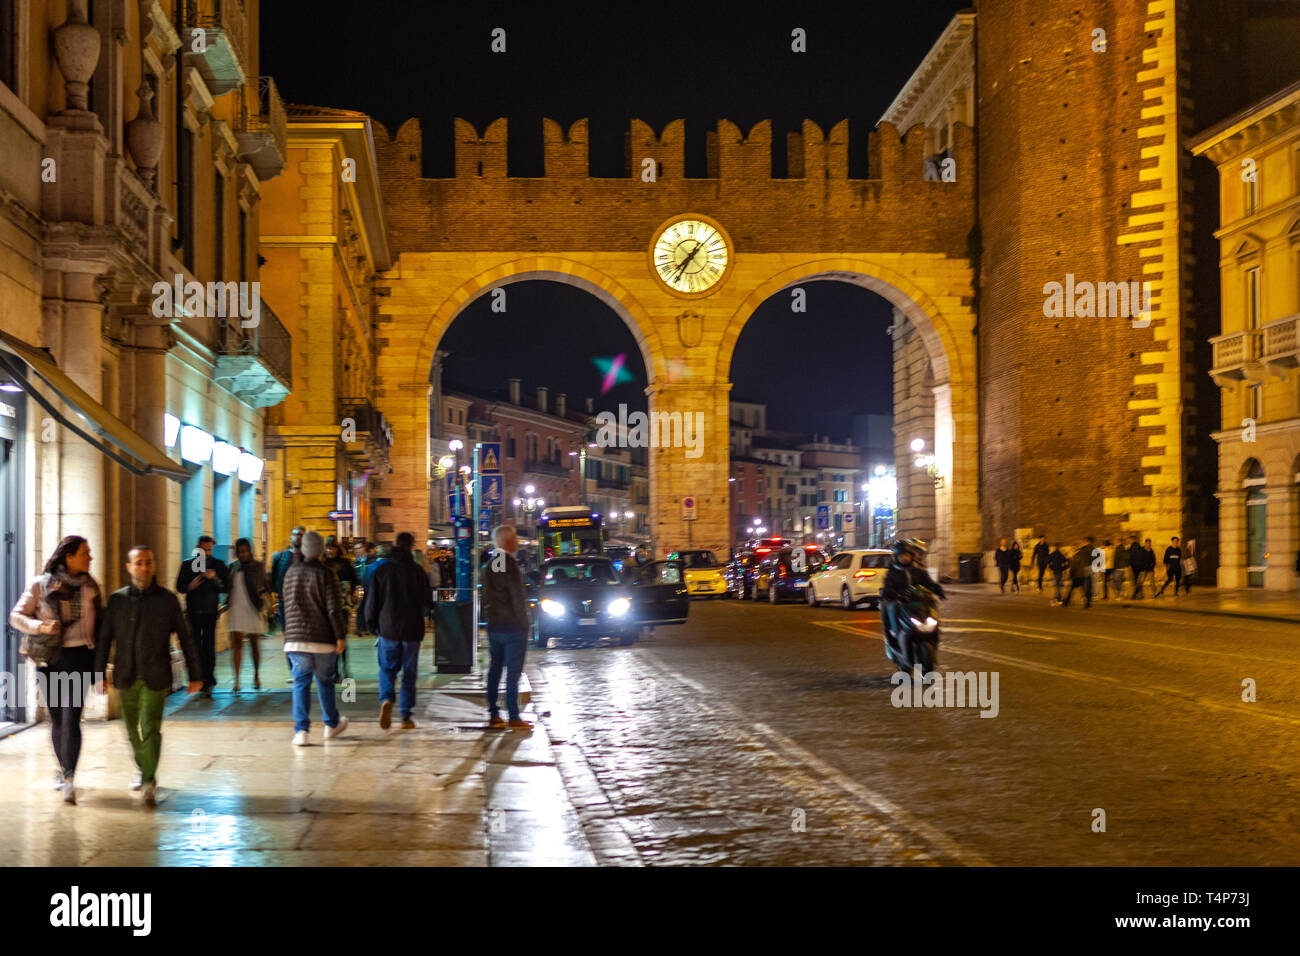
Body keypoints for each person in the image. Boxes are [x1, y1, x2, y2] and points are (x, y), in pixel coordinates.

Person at [94, 546, 202, 806]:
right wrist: (99, 674)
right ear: (129, 567)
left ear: (154, 565)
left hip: (156, 674)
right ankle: (144, 768)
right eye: (139, 563)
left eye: (148, 562)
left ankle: (148, 780)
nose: (144, 567)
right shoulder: (117, 600)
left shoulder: (167, 599)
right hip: (126, 675)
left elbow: (185, 638)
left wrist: (195, 674)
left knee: (151, 727)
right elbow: (104, 639)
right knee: (131, 729)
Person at [8, 535, 104, 804]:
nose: (90, 557)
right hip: (50, 659)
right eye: (85, 553)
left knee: (72, 717)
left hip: (80, 658)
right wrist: (41, 627)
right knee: (58, 719)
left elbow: (101, 625)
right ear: (68, 557)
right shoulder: (41, 585)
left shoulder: (90, 586)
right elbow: (16, 616)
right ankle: (64, 772)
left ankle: (70, 777)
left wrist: (100, 666)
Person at [282, 531, 348, 746]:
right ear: (320, 550)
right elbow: (333, 609)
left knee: (300, 683)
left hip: (295, 639)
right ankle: (331, 724)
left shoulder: (290, 573)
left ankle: (301, 731)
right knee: (325, 682)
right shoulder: (326, 573)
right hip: (323, 639)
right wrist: (340, 636)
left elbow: (287, 607)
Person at [366, 531, 432, 730]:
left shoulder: (382, 570)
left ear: (395, 545)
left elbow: (372, 602)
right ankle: (405, 716)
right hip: (412, 629)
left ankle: (386, 699)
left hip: (388, 629)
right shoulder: (418, 571)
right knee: (409, 673)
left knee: (387, 669)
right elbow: (427, 601)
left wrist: (371, 625)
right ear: (411, 547)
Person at [482, 525, 533, 730]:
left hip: (495, 625)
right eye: (514, 539)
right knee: (513, 672)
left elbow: (488, 596)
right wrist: (524, 622)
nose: (517, 543)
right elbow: (516, 596)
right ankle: (513, 714)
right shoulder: (507, 564)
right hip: (512, 626)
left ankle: (494, 713)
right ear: (507, 542)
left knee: (495, 669)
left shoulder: (491, 564)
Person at [175, 535, 228, 697]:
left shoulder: (218, 565)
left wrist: (214, 579)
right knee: (195, 646)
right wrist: (189, 586)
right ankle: (197, 679)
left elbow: (225, 587)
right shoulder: (187, 564)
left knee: (209, 647)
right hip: (194, 611)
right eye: (203, 550)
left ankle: (209, 681)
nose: (206, 553)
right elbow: (179, 587)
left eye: (209, 550)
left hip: (210, 612)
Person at [227, 538, 267, 692]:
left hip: (253, 606)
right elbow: (227, 587)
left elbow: (264, 585)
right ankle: (236, 680)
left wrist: (265, 605)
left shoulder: (258, 566)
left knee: (254, 644)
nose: (242, 554)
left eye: (245, 551)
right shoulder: (233, 567)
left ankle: (256, 675)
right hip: (237, 607)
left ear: (250, 551)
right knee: (236, 644)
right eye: (240, 551)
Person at [270, 526, 304, 679]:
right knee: (289, 637)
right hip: (285, 602)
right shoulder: (280, 557)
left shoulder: (308, 557)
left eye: (302, 535)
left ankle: (303, 668)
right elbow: (273, 580)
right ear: (291, 537)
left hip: (304, 603)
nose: (298, 538)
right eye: (296, 535)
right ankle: (293, 670)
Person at [1061, 537, 1095, 608]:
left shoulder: (1077, 555)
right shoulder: (1082, 553)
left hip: (1077, 574)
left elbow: (1074, 565)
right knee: (1080, 589)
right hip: (1082, 574)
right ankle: (1086, 602)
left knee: (1073, 589)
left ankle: (1066, 602)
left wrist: (1071, 574)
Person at [1114, 535, 1132, 599]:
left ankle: (1122, 593)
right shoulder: (1121, 547)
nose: (1114, 541)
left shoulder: (1119, 548)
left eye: (1115, 540)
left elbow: (1117, 558)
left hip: (1119, 567)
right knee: (1118, 581)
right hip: (1120, 567)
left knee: (1117, 580)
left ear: (1118, 541)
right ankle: (1122, 593)